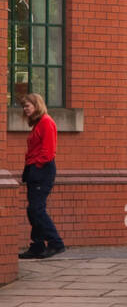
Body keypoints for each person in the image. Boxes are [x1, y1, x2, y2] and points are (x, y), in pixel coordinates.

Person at [18, 93, 65, 259]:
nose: (25, 109)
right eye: (24, 106)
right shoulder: (38, 124)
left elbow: (48, 152)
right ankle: (37, 246)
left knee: (36, 209)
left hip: (42, 170)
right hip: (35, 170)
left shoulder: (46, 122)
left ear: (36, 105)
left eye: (28, 106)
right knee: (33, 210)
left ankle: (56, 243)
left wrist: (36, 167)